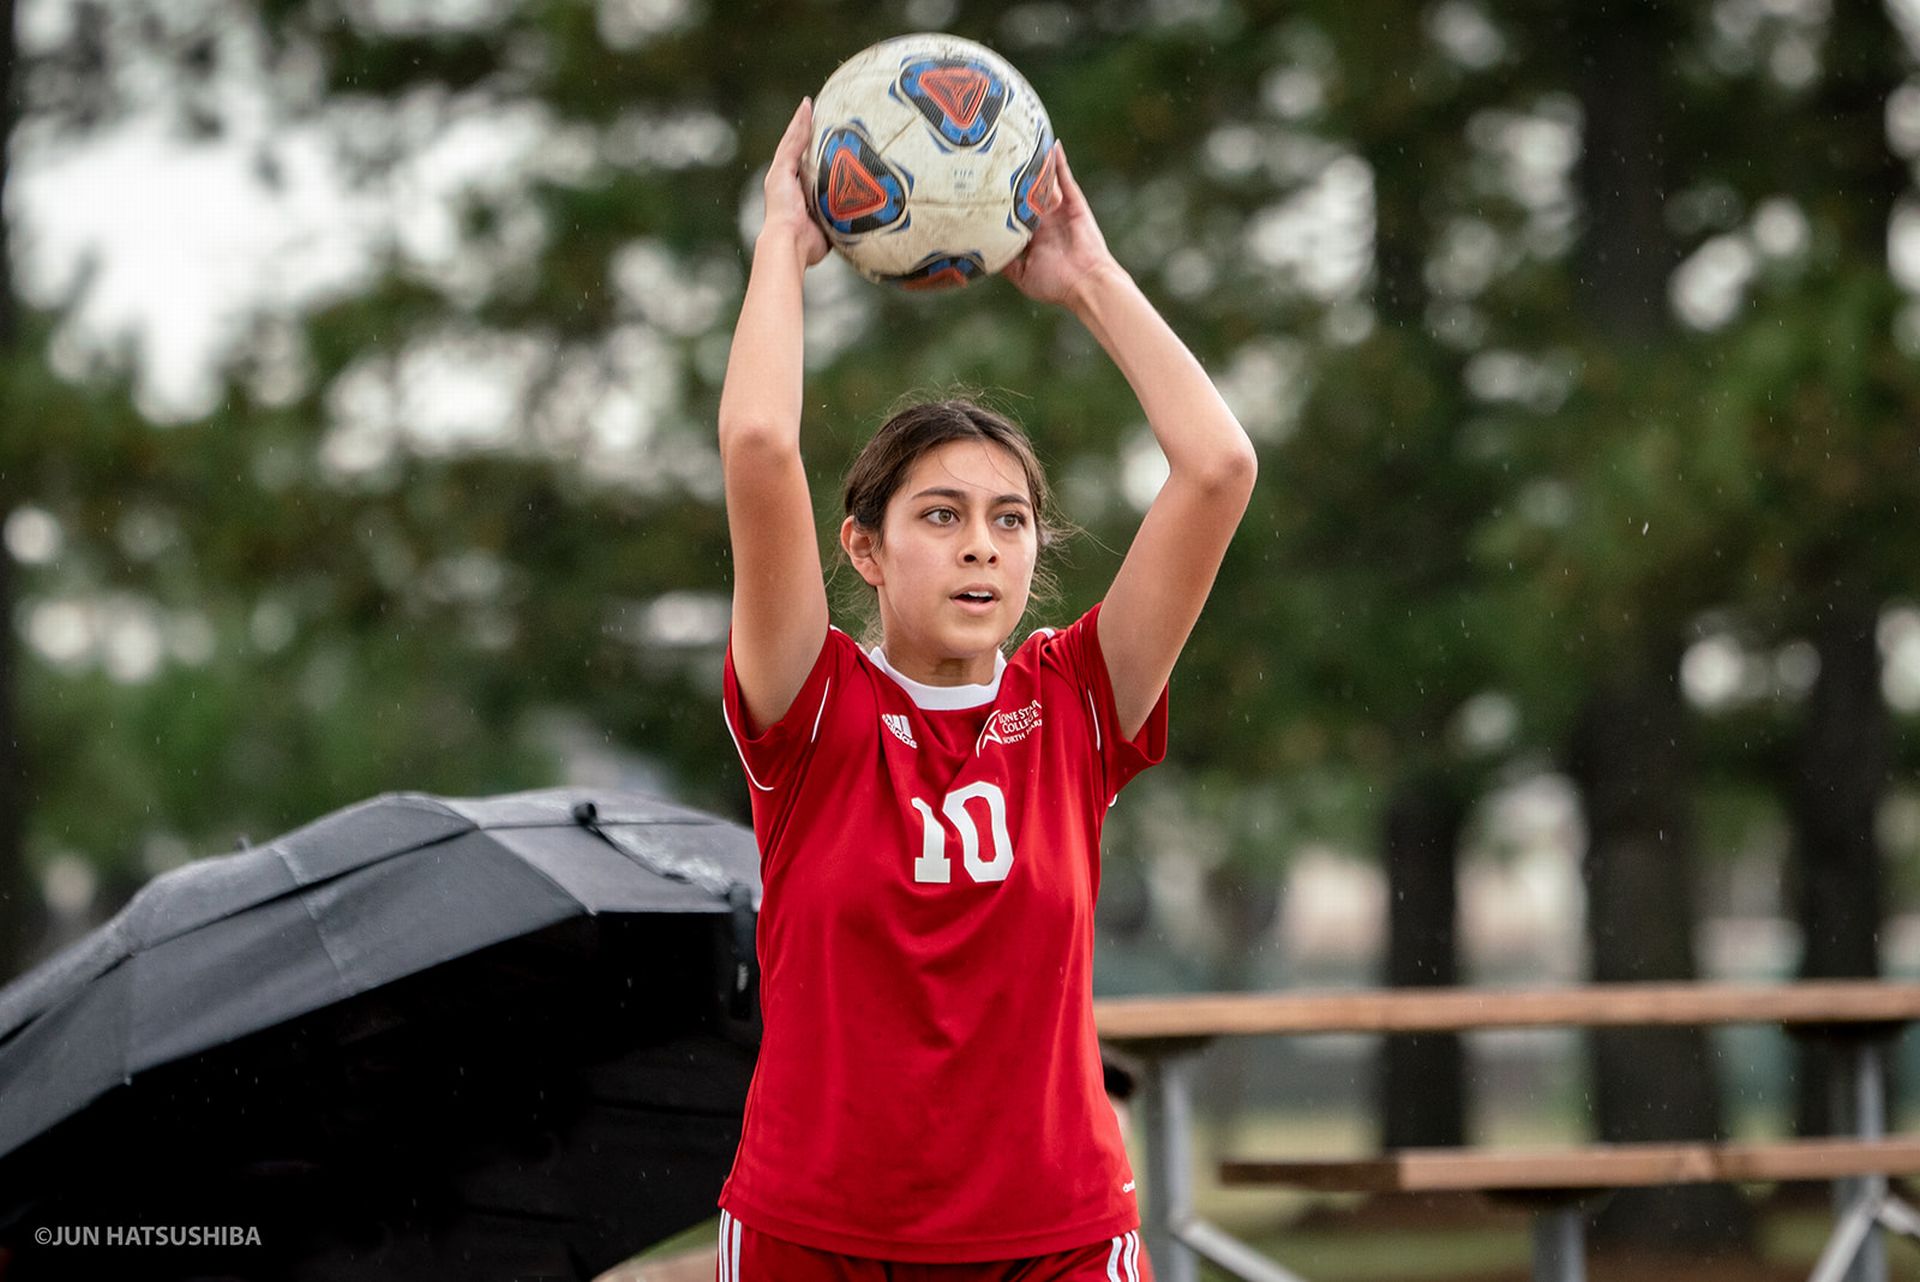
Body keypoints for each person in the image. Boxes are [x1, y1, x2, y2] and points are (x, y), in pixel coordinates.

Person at [713, 97, 1257, 1281]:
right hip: (819, 1236)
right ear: (863, 548)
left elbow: (1218, 468)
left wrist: (1090, 276)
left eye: (1009, 520)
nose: (982, 546)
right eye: (942, 517)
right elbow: (759, 449)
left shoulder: (1076, 702)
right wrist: (780, 245)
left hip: (1052, 1237)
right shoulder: (813, 710)